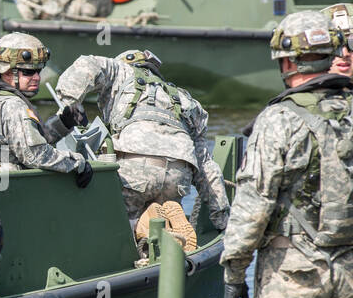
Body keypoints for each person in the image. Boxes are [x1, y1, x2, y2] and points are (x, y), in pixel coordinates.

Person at [220, 10, 353, 298]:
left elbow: (253, 206)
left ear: (287, 62)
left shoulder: (278, 120)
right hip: (351, 273)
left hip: (292, 277)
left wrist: (234, 274)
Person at [44, 49, 230, 233]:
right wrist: (221, 218)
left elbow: (87, 63)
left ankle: (136, 240)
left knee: (120, 227)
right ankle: (164, 236)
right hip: (178, 175)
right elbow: (206, 165)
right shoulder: (186, 100)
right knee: (160, 228)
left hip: (135, 171)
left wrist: (69, 103)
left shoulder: (121, 71)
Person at [0, 32, 91, 186]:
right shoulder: (13, 106)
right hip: (10, 195)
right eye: (28, 72)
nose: (37, 77)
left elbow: (26, 141)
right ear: (6, 71)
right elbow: (35, 155)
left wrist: (63, 123)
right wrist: (78, 162)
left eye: (38, 71)